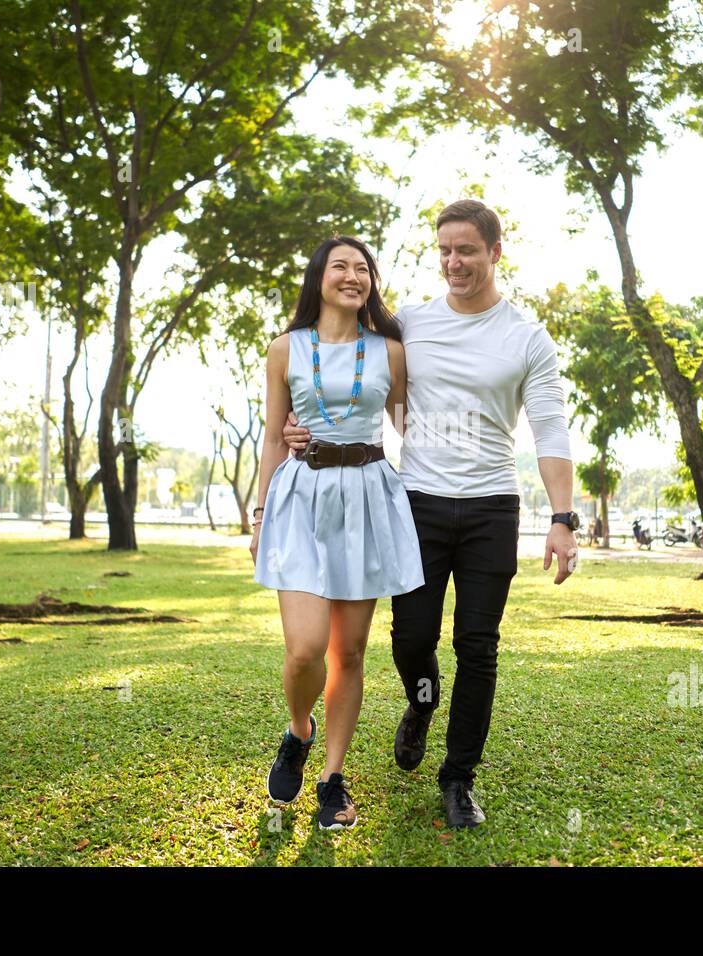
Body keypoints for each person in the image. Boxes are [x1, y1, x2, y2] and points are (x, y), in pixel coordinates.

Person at [284, 200, 577, 828]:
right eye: (444, 250)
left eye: (467, 250)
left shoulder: (527, 336)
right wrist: (301, 426)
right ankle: (421, 701)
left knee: (479, 646)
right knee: (411, 639)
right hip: (414, 502)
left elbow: (551, 429)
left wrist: (563, 517)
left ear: (496, 253)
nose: (454, 262)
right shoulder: (407, 325)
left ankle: (457, 779)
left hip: (493, 506)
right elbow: (339, 366)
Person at [252, 236, 424, 831]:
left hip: (366, 497)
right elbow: (275, 437)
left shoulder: (391, 352)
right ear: (318, 278)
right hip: (301, 497)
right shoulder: (285, 349)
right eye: (340, 267)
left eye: (363, 269)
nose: (352, 276)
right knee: (304, 650)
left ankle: (331, 778)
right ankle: (298, 729)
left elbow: (409, 431)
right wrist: (258, 515)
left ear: (372, 282)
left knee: (347, 651)